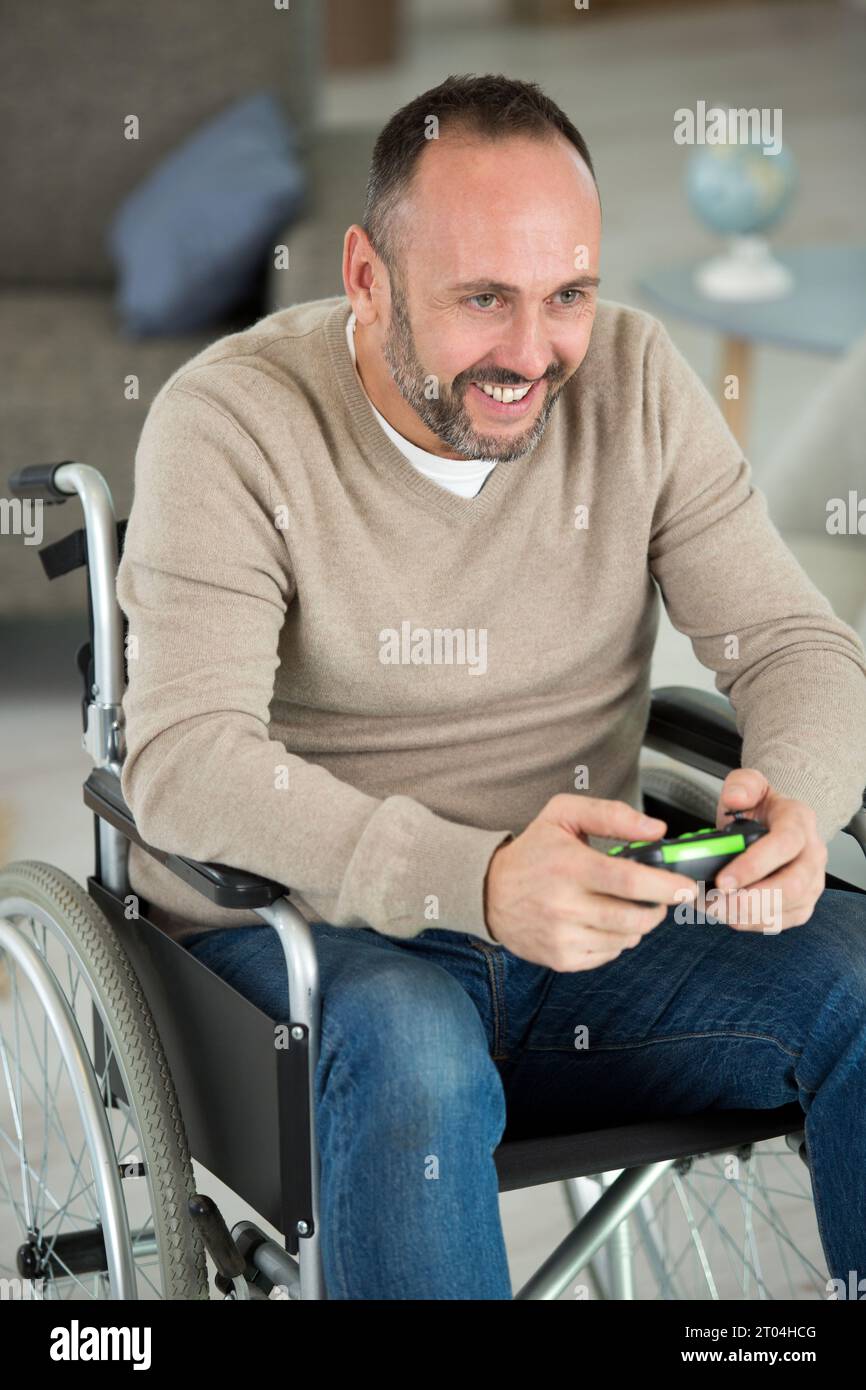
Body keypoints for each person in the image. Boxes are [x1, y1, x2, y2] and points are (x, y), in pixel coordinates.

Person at [116, 74, 866, 1300]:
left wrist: (798, 798)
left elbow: (790, 639)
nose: (532, 353)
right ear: (365, 275)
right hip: (311, 937)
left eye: (566, 294)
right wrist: (471, 881)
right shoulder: (231, 423)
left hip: (590, 928)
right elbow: (184, 759)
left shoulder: (630, 377)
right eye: (481, 300)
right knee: (415, 1051)